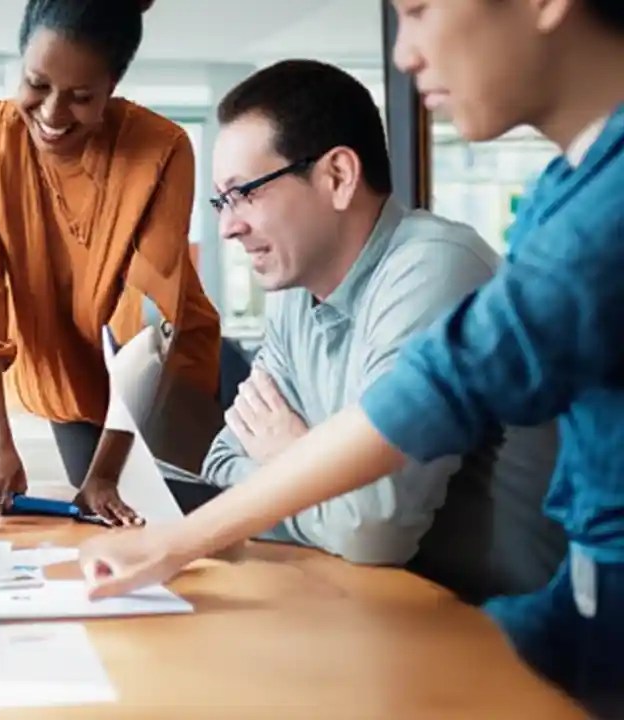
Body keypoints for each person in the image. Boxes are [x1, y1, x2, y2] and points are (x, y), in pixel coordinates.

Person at [78, 0, 624, 713]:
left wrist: (183, 538)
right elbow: (229, 463)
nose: (405, 53)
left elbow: (425, 417)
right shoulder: (566, 192)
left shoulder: (573, 222)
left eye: (422, 10)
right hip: (556, 613)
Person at [197, 59, 564, 603]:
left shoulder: (433, 268)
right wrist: (316, 472)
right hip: (383, 610)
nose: (228, 225)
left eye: (245, 192)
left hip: (507, 639)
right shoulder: (295, 297)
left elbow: (370, 531)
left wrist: (290, 456)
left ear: (338, 177)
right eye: (223, 201)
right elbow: (218, 470)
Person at [0, 0, 221, 534]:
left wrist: (103, 474)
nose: (52, 114)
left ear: (113, 87)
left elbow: (149, 326)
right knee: (101, 545)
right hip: (69, 381)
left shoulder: (161, 150)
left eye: (81, 98)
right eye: (37, 83)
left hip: (162, 383)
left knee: (189, 549)